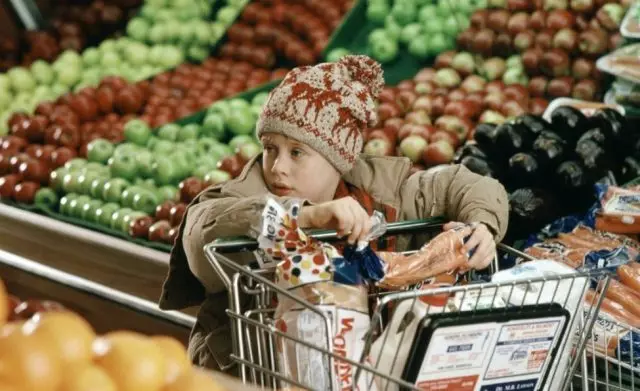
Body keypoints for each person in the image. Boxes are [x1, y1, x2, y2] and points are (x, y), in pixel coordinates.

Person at [158, 55, 509, 372]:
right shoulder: (242, 194)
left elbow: (466, 184)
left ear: (337, 159)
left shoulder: (382, 191)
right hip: (254, 373)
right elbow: (201, 235)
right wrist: (306, 216)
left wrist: (483, 224)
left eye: (297, 152)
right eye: (270, 149)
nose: (277, 167)